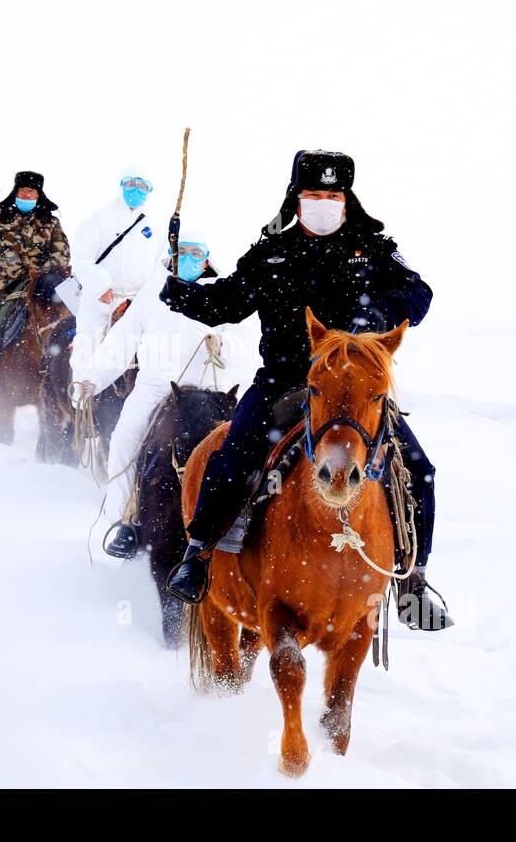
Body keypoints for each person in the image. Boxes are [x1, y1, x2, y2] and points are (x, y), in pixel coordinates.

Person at [158, 150, 451, 630]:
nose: (323, 203)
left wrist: (379, 316)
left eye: (332, 195)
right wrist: (181, 294)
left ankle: (414, 581)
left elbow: (418, 293)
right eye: (313, 194)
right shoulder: (271, 252)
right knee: (233, 455)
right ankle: (198, 553)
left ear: (346, 199)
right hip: (282, 382)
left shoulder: (373, 247)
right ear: (296, 199)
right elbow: (228, 302)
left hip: (354, 387)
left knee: (418, 469)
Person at [74, 232, 229, 559]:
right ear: (172, 254)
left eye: (195, 252)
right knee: (123, 439)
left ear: (206, 258)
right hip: (155, 385)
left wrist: (221, 342)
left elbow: (244, 338)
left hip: (208, 389)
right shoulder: (153, 293)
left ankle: (239, 522)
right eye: (181, 251)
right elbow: (124, 337)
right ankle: (124, 520)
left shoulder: (223, 292)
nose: (187, 257)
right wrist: (92, 377)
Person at [0, 171, 70, 383]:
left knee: (74, 318)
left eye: (32, 191)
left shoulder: (51, 222)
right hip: (2, 287)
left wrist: (42, 271)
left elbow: (62, 254)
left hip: (42, 285)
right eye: (23, 191)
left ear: (39, 195)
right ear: (16, 192)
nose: (27, 195)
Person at [68, 166, 169, 363]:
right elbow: (82, 259)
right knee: (87, 351)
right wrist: (101, 287)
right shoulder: (99, 219)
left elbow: (158, 266)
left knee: (155, 352)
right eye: (131, 184)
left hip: (136, 302)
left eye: (142, 186)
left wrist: (150, 295)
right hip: (101, 301)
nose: (136, 189)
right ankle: (81, 391)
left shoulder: (154, 227)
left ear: (149, 191)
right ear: (122, 185)